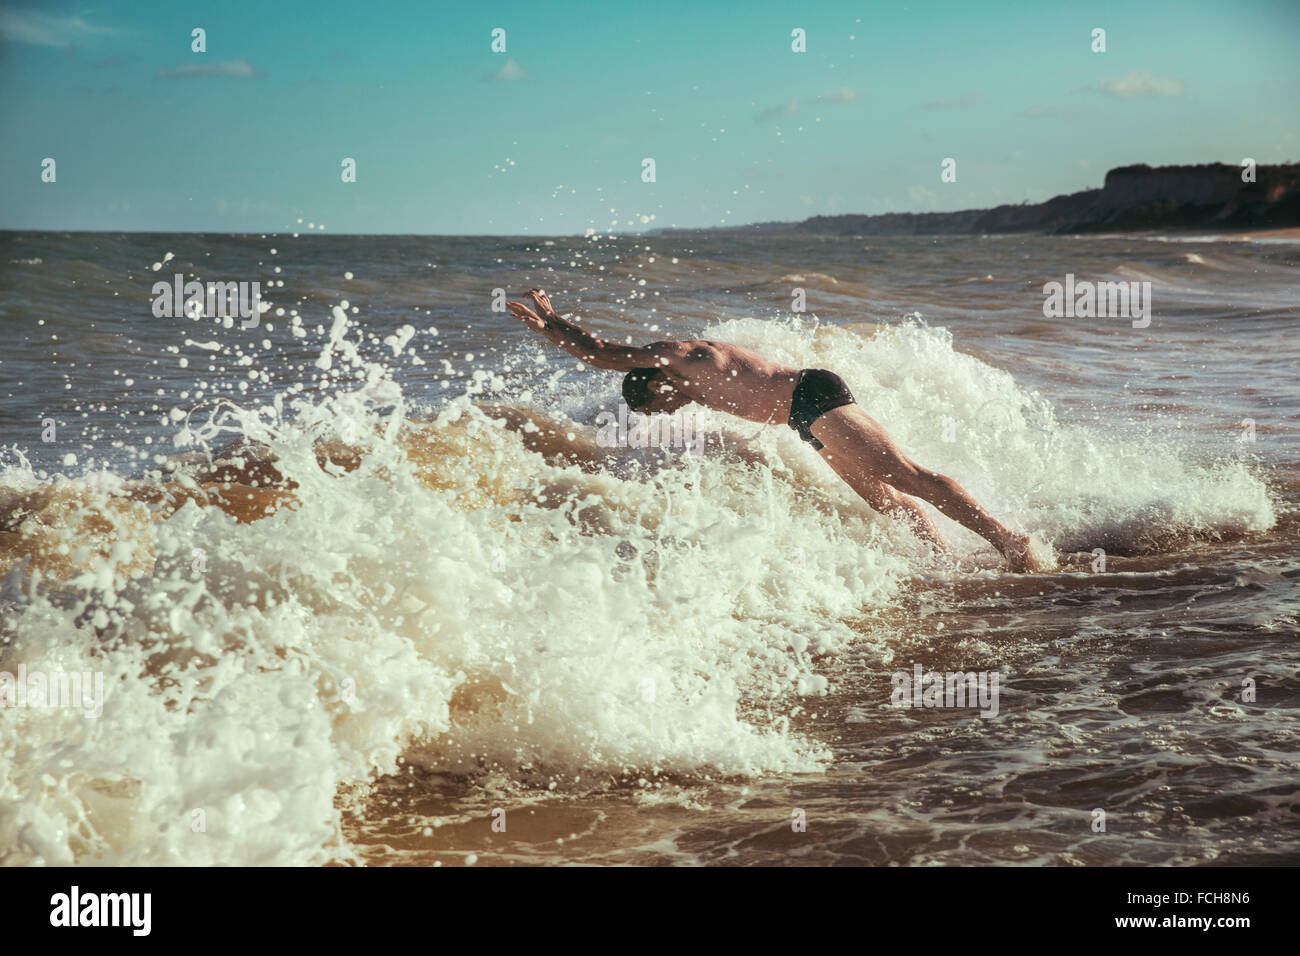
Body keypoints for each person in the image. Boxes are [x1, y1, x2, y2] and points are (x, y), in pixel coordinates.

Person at [507, 289, 1044, 572]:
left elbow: (601, 353)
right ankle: (947, 562)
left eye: (657, 406)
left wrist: (551, 326)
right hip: (801, 419)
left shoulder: (685, 357)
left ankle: (1010, 542)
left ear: (655, 382)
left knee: (906, 475)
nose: (667, 413)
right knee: (883, 499)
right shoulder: (687, 386)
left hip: (812, 395)